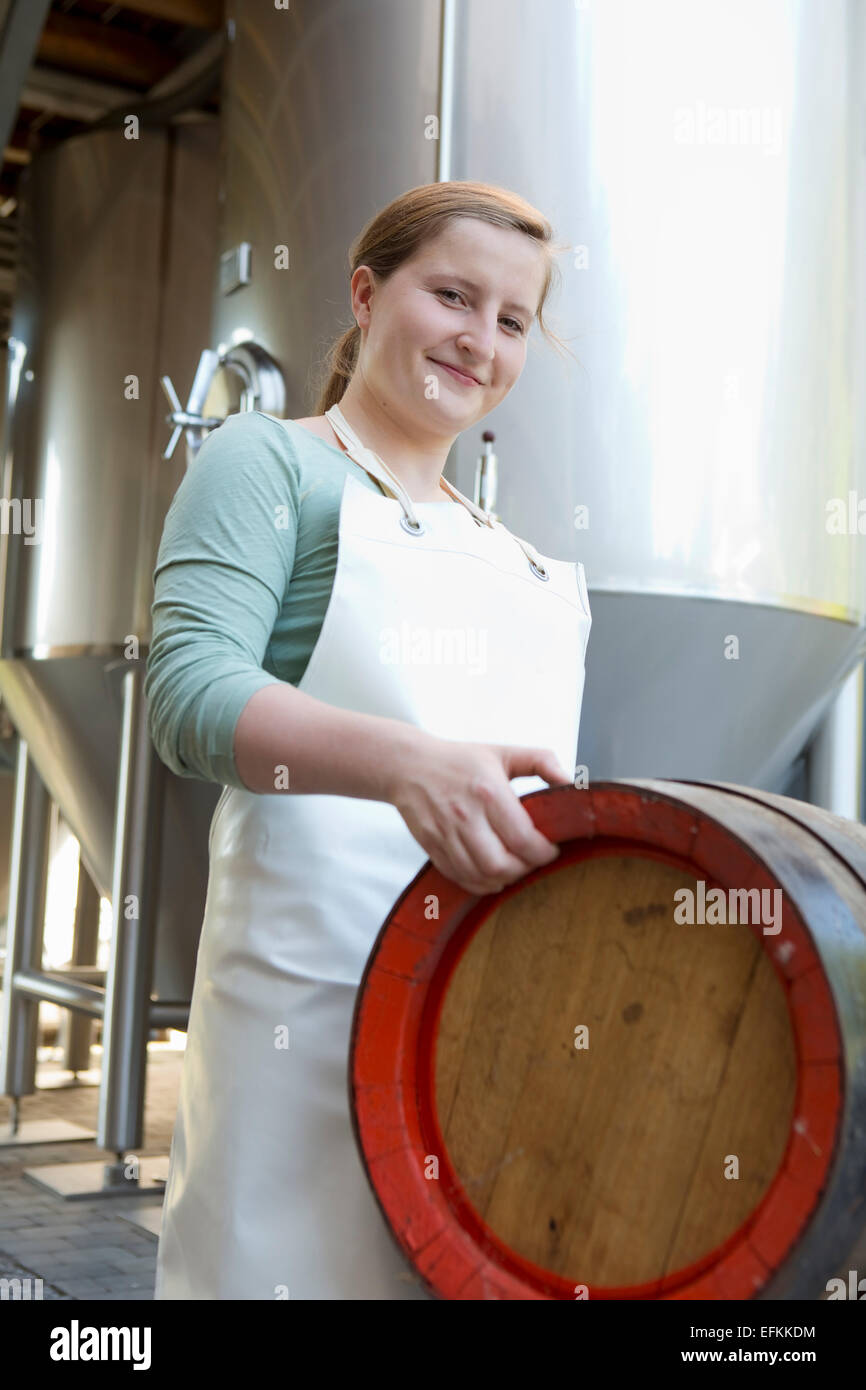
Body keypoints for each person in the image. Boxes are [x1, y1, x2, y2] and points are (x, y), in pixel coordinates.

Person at [145, 180, 592, 1299]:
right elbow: (189, 696)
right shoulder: (270, 464)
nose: (477, 340)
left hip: (474, 1050)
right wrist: (406, 763)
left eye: (510, 320)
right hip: (296, 1035)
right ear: (364, 292)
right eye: (451, 294)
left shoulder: (523, 566)